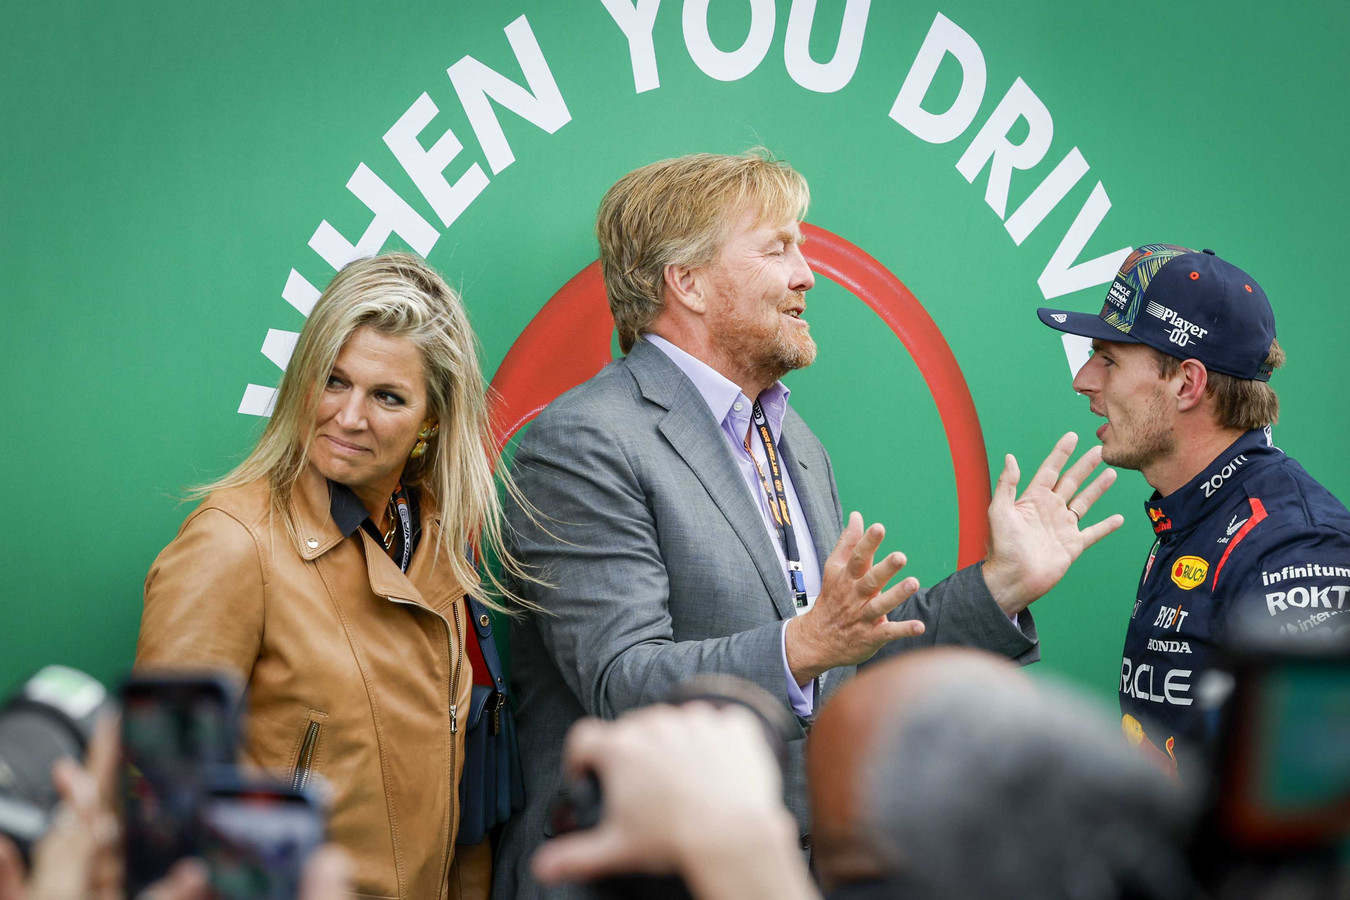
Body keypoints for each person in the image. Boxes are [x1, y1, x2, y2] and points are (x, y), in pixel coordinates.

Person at [493, 151, 1124, 898]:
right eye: (777, 247)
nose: (808, 274)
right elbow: (623, 683)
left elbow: (843, 660)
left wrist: (1001, 585)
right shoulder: (584, 442)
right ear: (686, 282)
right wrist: (803, 645)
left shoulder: (795, 441)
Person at [137, 252, 520, 898]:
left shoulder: (430, 543)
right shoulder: (232, 545)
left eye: (387, 396)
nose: (348, 417)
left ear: (430, 420)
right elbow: (164, 810)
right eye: (334, 381)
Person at [1039, 243, 1350, 774]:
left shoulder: (1292, 546)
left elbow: (1309, 790)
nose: (1084, 380)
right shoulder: (1194, 514)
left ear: (1187, 383)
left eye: (1108, 359)